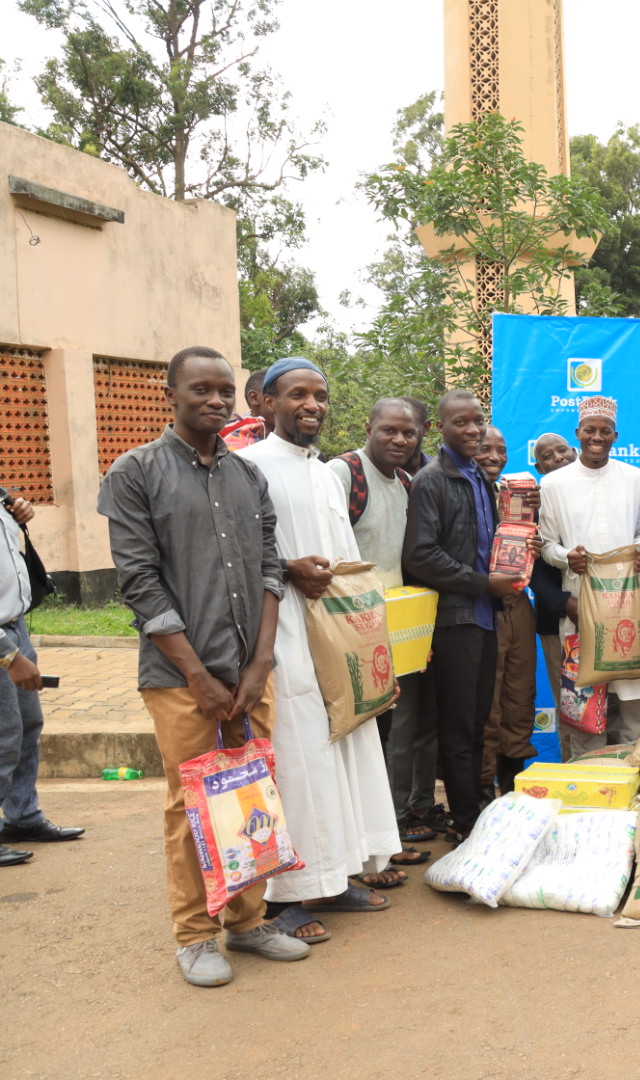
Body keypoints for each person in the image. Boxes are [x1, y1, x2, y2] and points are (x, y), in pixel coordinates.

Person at [98, 345, 310, 987]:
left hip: (249, 673)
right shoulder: (135, 472)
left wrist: (260, 662)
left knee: (249, 796)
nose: (216, 400)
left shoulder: (248, 477)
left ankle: (246, 924)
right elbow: (139, 583)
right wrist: (199, 677)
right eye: (202, 390)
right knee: (192, 805)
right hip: (180, 677)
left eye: (224, 390)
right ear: (172, 394)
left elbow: (271, 569)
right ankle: (195, 935)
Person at [238, 358, 402, 942]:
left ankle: (335, 878)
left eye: (321, 396)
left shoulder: (327, 473)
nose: (312, 405)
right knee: (301, 760)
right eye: (298, 395)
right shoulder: (247, 467)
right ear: (265, 402)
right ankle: (289, 896)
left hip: (338, 635)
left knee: (346, 754)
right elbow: (236, 555)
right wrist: (286, 568)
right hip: (281, 634)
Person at [404, 390, 519, 844]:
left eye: (478, 422)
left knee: (476, 722)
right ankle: (466, 819)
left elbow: (484, 545)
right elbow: (420, 555)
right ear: (441, 427)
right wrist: (480, 583)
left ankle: (475, 808)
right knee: (455, 725)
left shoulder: (479, 477)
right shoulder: (432, 480)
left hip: (485, 615)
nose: (473, 431)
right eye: (461, 423)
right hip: (453, 619)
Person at [327, 398, 437, 854]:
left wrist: (418, 635)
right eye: (389, 431)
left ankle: (382, 840)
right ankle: (354, 846)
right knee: (356, 736)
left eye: (408, 434)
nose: (399, 440)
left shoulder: (407, 482)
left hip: (394, 628)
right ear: (368, 426)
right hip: (349, 628)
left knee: (390, 734)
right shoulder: (343, 474)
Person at [540, 397, 640, 754]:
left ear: (615, 435)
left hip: (629, 607)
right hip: (581, 607)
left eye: (604, 431)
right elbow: (547, 546)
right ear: (578, 434)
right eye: (590, 430)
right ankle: (589, 793)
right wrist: (567, 558)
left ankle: (636, 792)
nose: (597, 437)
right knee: (584, 714)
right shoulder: (554, 485)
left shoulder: (635, 478)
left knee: (636, 712)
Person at [476, 426, 569, 793]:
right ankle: (481, 792)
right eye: (485, 449)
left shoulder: (520, 495)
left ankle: (510, 787)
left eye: (501, 450)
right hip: (479, 607)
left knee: (519, 698)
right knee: (488, 701)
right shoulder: (459, 487)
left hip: (517, 607)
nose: (494, 457)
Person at [0, 489, 84, 865]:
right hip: (3, 639)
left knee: (28, 725)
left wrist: (19, 511)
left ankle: (22, 816)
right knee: (4, 736)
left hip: (15, 625)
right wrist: (8, 654)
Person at [530, 433, 575, 730]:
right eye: (548, 456)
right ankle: (573, 770)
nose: (558, 458)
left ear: (574, 452)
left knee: (612, 701)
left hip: (602, 616)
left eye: (562, 451)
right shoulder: (531, 506)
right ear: (539, 468)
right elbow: (531, 570)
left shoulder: (598, 495)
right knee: (571, 704)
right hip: (555, 620)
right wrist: (564, 603)